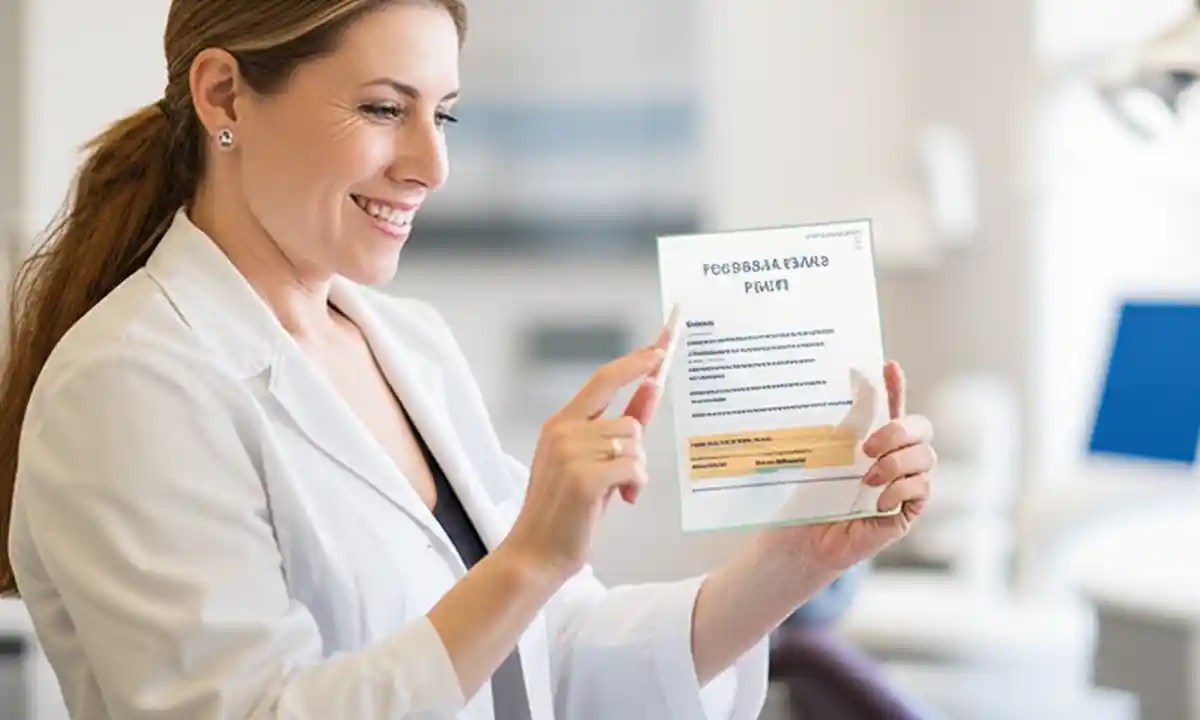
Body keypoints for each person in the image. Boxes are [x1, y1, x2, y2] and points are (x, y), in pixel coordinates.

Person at [0, 2, 938, 718]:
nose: (430, 165)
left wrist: (795, 557)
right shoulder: (129, 386)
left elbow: (552, 656)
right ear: (223, 95)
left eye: (441, 115)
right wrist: (528, 555)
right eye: (381, 109)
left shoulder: (406, 343)